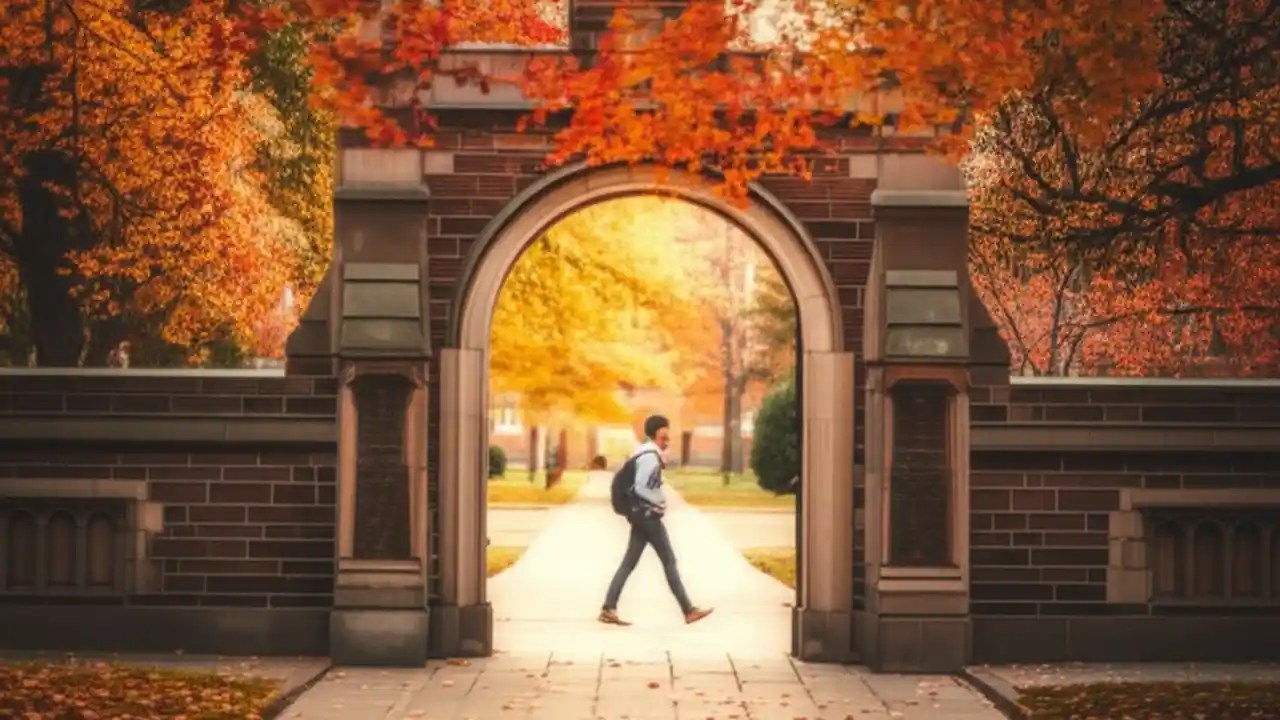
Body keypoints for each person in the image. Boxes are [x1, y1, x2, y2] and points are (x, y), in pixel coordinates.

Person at [599, 414, 713, 626]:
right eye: (663, 437)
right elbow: (642, 486)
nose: (667, 442)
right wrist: (660, 502)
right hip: (648, 516)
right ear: (654, 436)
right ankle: (688, 610)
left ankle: (609, 607)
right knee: (669, 561)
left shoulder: (644, 453)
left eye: (668, 437)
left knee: (629, 563)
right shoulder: (650, 456)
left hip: (640, 515)